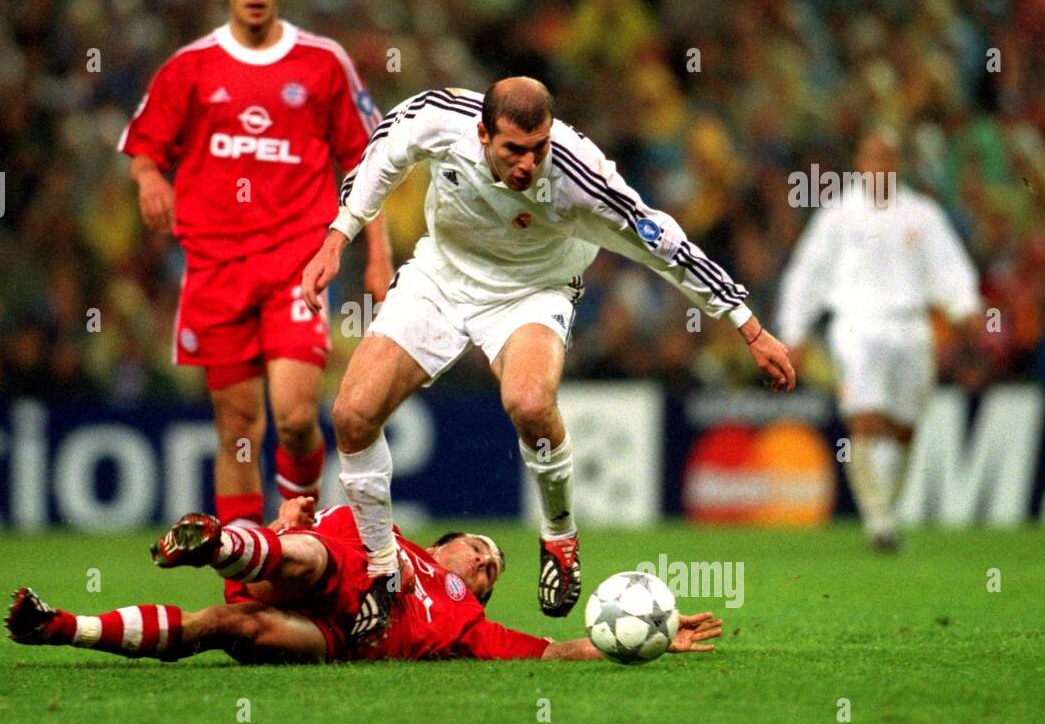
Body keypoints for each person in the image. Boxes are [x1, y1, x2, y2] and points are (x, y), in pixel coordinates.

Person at [300, 79, 795, 638]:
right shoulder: (440, 117)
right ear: (483, 133)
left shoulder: (580, 178)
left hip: (534, 289)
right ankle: (383, 572)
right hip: (440, 276)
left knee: (529, 403)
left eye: (539, 147)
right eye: (514, 149)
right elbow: (386, 149)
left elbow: (665, 246)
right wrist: (338, 235)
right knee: (351, 414)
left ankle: (559, 532)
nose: (529, 163)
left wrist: (748, 327)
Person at [119, 0, 392, 530]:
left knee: (296, 418)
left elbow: (370, 159)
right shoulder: (189, 68)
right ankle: (243, 583)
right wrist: (148, 178)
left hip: (297, 263)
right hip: (216, 269)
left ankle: (297, 541)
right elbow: (144, 146)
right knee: (238, 429)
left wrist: (378, 254)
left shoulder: (322, 62)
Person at [4, 497, 723, 663]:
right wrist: (288, 526)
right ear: (440, 546)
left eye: (491, 572)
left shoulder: (468, 625)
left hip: (339, 634)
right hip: (343, 564)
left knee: (228, 627)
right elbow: (321, 540)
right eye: (478, 550)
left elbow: (558, 649)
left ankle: (59, 625)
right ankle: (216, 544)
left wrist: (653, 639)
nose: (483, 563)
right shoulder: (390, 536)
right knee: (316, 554)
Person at [776, 130, 983, 550]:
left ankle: (886, 506)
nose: (880, 165)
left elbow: (949, 266)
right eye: (872, 157)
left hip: (911, 327)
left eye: (888, 157)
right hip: (855, 326)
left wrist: (965, 307)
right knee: (865, 418)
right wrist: (793, 331)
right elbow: (807, 274)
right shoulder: (837, 215)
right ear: (859, 162)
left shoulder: (921, 215)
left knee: (904, 429)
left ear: (898, 163)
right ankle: (879, 520)